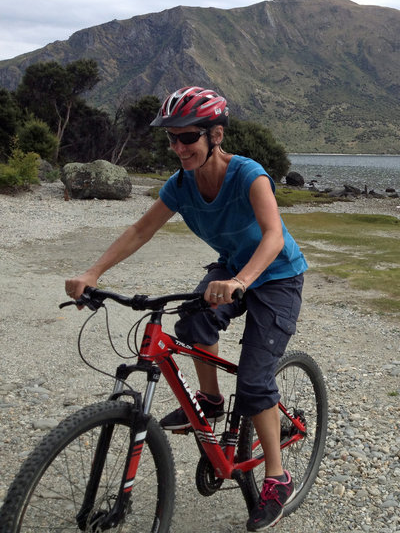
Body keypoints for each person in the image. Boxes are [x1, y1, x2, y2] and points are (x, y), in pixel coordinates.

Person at [64, 86, 307, 531]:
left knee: (254, 383)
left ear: (216, 135)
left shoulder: (248, 175)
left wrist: (239, 282)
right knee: (192, 321)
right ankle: (210, 400)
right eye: (172, 138)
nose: (179, 147)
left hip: (276, 276)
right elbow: (141, 230)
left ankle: (277, 477)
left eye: (188, 137)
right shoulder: (180, 185)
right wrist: (93, 272)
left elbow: (273, 235)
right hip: (231, 269)